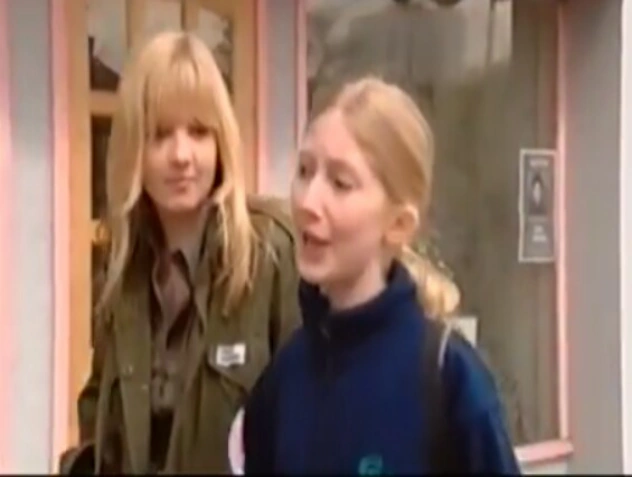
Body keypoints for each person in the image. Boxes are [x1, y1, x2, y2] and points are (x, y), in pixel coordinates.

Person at [243, 77, 520, 474]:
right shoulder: (283, 380)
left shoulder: (451, 380)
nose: (308, 201)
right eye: (304, 171)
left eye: (340, 183)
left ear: (399, 224)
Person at [58, 31, 300, 474]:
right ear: (134, 148)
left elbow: (313, 420)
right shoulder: (120, 273)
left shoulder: (272, 254)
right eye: (160, 135)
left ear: (221, 142)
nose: (182, 155)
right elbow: (99, 419)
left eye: (199, 132)